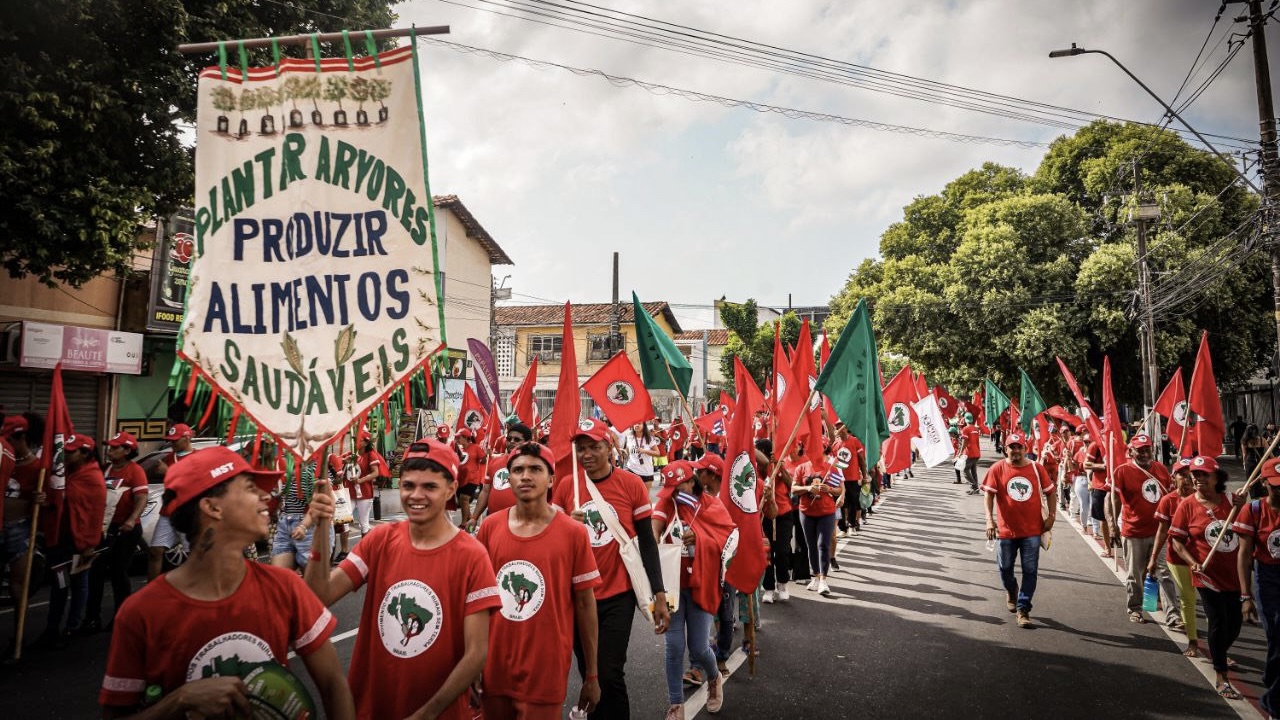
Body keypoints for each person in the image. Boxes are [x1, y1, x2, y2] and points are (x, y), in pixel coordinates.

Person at [305, 439, 502, 719]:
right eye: (408, 485)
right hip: (371, 707)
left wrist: (426, 713)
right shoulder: (380, 540)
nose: (416, 495)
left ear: (451, 489)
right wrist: (321, 527)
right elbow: (318, 597)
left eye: (429, 487)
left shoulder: (472, 556)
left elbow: (476, 654)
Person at [551, 419, 670, 720]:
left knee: (609, 671)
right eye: (581, 449)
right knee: (589, 672)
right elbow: (550, 543)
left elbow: (646, 541)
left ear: (610, 448)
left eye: (594, 447)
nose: (587, 454)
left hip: (618, 594)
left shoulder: (630, 484)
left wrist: (659, 594)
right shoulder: (568, 486)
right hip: (579, 596)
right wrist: (566, 527)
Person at [476, 442, 601, 719]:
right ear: (508, 478)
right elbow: (477, 604)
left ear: (552, 478)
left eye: (535, 469)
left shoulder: (573, 533)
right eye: (518, 470)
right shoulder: (490, 528)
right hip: (493, 670)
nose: (526, 476)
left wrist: (591, 674)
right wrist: (470, 664)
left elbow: (585, 605)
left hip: (545, 672)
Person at [651, 460, 729, 720]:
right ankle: (676, 704)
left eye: (678, 486)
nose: (674, 493)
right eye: (670, 488)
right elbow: (654, 528)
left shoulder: (712, 505)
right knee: (673, 647)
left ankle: (714, 677)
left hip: (701, 584)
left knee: (698, 647)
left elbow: (728, 540)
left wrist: (701, 539)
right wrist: (653, 543)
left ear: (691, 483)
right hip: (671, 587)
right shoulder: (666, 504)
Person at [1169, 457, 1245, 701]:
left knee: (1234, 624)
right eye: (1195, 474)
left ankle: (1219, 650)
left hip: (1233, 573)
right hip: (1206, 576)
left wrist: (1243, 507)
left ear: (1217, 477)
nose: (1199, 479)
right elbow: (1176, 540)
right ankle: (1221, 676)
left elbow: (1246, 531)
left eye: (1204, 474)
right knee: (1217, 620)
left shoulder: (1232, 502)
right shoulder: (1187, 506)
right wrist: (1193, 563)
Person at [38, 433, 105, 648]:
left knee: (79, 584)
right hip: (60, 539)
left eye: (70, 452)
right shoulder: (64, 472)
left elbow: (94, 515)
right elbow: (57, 499)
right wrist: (45, 500)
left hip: (81, 542)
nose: (65, 455)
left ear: (85, 453)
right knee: (59, 585)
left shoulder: (93, 478)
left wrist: (90, 545)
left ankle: (72, 627)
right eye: (64, 451)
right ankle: (52, 628)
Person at [982, 432, 1055, 629]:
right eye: (1011, 447)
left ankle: (1023, 609)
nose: (1015, 451)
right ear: (1005, 449)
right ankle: (1012, 589)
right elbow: (988, 495)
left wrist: (1052, 517)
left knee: (1030, 570)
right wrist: (990, 520)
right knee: (1005, 568)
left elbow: (1050, 492)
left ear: (1025, 448)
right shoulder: (997, 468)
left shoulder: (1036, 468)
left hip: (1032, 531)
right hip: (1006, 531)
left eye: (1019, 447)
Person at [84, 432, 149, 634]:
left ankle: (121, 617)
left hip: (126, 530)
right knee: (96, 572)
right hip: (105, 529)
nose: (110, 451)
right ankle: (91, 618)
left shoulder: (135, 471)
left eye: (115, 448)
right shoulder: (106, 469)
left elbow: (141, 498)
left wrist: (131, 519)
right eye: (109, 448)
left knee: (119, 573)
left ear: (128, 451)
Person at [1235, 457, 1280, 716]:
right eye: (1276, 486)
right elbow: (1243, 555)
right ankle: (1272, 700)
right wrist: (1245, 596)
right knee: (1277, 633)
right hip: (1267, 579)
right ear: (1264, 483)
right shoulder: (1253, 510)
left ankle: (1273, 682)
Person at [1110, 434, 1171, 623]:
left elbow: (1170, 496)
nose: (1144, 454)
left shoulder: (1160, 469)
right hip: (1134, 532)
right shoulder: (1122, 471)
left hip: (1159, 532)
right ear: (1131, 452)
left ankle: (1168, 613)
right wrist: (1112, 525)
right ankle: (1135, 608)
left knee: (1161, 572)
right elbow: (1112, 499)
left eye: (1147, 450)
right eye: (1140, 450)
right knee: (1135, 574)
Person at [1148, 459, 1200, 651]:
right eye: (1182, 475)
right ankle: (1190, 638)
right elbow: (1162, 531)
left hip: (1202, 558)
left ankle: (1219, 647)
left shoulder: (1204, 498)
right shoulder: (1167, 501)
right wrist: (1153, 557)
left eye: (1191, 476)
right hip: (1176, 556)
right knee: (1186, 598)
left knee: (1214, 606)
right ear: (1174, 478)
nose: (1187, 480)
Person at [3, 414, 43, 626]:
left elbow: (49, 503)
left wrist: (41, 499)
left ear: (22, 438)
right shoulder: (3, 459)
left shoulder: (38, 468)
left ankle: (17, 637)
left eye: (10, 440)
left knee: (18, 584)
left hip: (21, 529)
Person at [794, 442, 844, 596]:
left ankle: (823, 580)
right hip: (806, 512)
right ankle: (815, 576)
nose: (813, 450)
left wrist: (829, 489)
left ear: (825, 450)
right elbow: (794, 489)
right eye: (810, 448)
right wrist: (807, 488)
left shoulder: (832, 467)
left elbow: (839, 490)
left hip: (826, 512)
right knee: (811, 546)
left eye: (818, 447)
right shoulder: (801, 468)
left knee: (823, 544)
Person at [470, 423, 533, 530]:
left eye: (517, 439)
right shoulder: (495, 462)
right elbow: (485, 491)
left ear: (527, 442)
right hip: (493, 520)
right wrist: (474, 517)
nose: (512, 441)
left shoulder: (534, 465)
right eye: (509, 438)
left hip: (522, 523)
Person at [760, 438, 793, 604]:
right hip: (764, 516)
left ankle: (782, 583)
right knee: (766, 553)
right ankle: (769, 588)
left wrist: (779, 467)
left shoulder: (777, 465)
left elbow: (790, 484)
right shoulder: (756, 470)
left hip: (783, 515)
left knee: (781, 551)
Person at [271, 461, 317, 572]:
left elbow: (316, 505)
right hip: (284, 524)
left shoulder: (312, 470)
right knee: (278, 576)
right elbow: (279, 496)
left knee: (311, 579)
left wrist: (303, 526)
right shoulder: (281, 467)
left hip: (306, 527)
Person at [1082, 428, 1114, 557]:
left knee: (1118, 518)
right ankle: (1108, 548)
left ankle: (1119, 542)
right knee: (1103, 518)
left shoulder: (1118, 444)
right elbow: (1086, 464)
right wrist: (1103, 466)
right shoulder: (1095, 445)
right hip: (1101, 487)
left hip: (1117, 487)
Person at [620, 422, 661, 491]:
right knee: (631, 495)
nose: (637, 425)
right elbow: (628, 452)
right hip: (632, 469)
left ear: (644, 425)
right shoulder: (629, 437)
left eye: (639, 423)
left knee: (645, 498)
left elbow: (657, 453)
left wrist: (644, 451)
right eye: (635, 424)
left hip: (646, 471)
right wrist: (623, 452)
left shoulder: (649, 438)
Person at [959, 413, 982, 495]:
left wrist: (960, 453)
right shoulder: (976, 429)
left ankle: (974, 486)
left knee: (965, 470)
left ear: (965, 419)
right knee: (973, 471)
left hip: (970, 453)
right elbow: (977, 442)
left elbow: (964, 442)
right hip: (976, 453)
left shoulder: (965, 429)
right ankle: (976, 489)